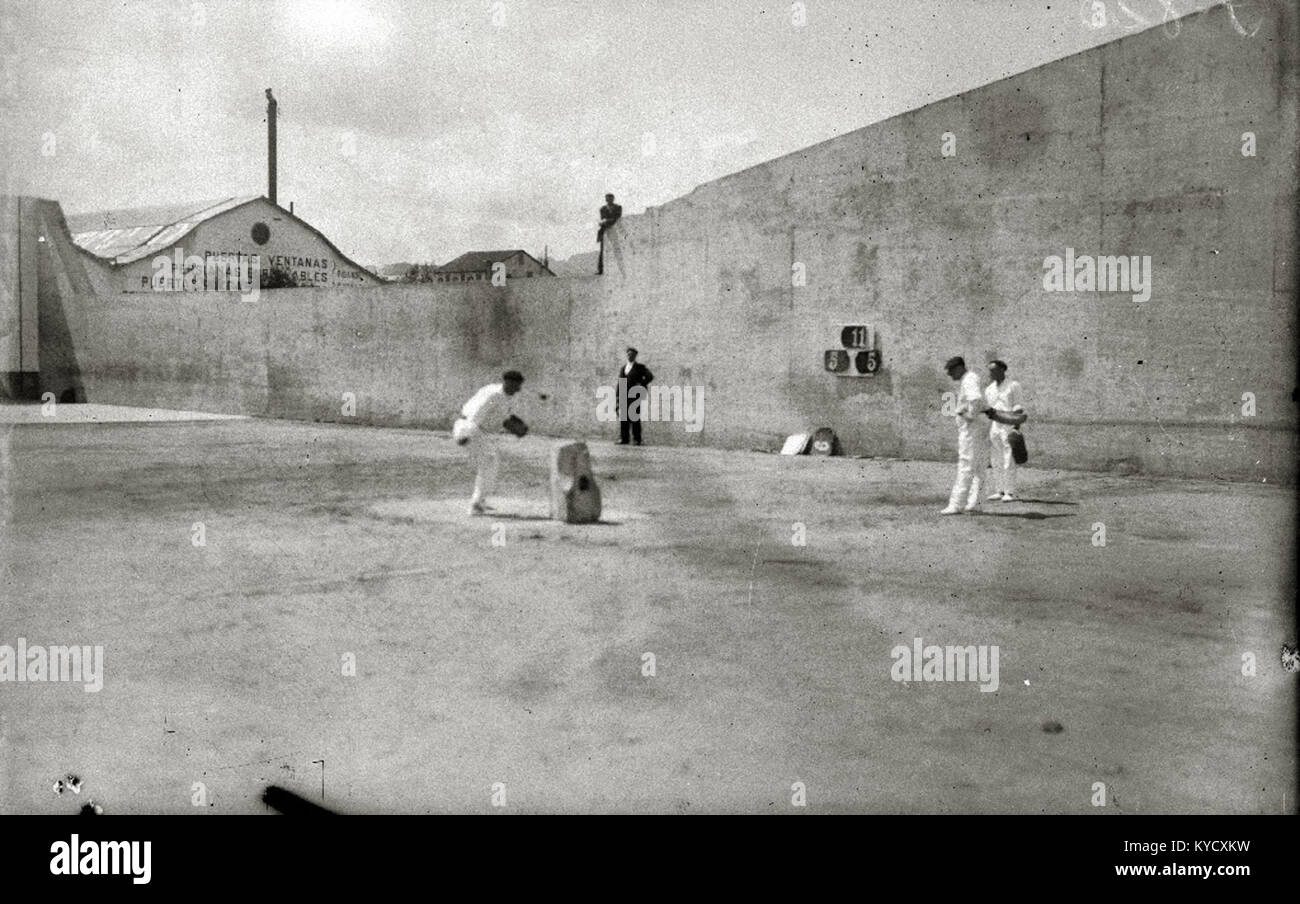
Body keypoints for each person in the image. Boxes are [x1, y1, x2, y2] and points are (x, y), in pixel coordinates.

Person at [452, 370, 525, 515]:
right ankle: (476, 504)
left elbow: (503, 417)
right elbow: (477, 411)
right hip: (470, 427)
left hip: (473, 428)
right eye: (516, 386)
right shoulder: (495, 395)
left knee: (489, 462)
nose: (518, 390)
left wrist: (516, 424)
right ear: (508, 382)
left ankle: (480, 501)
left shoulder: (496, 392)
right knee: (489, 461)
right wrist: (465, 433)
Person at [940, 356, 991, 515]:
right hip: (979, 426)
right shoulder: (972, 377)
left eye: (951, 371)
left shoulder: (968, 379)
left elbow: (975, 399)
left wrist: (970, 416)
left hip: (972, 428)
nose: (950, 376)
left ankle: (956, 504)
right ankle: (976, 502)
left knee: (966, 465)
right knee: (979, 467)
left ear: (959, 368)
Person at [983, 360, 1027, 502]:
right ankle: (999, 490)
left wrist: (1016, 426)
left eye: (993, 370)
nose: (991, 373)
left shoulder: (1013, 385)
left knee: (1009, 459)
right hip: (995, 426)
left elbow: (1018, 406)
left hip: (1009, 424)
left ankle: (1009, 492)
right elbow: (989, 409)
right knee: (996, 459)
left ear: (1002, 370)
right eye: (990, 371)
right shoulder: (989, 389)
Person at [616, 347, 654, 445]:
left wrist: (641, 384)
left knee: (634, 417)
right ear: (626, 355)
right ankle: (624, 439)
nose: (630, 356)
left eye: (632, 355)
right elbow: (620, 383)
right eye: (628, 354)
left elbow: (650, 376)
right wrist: (617, 397)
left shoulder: (640, 367)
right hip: (624, 395)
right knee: (624, 418)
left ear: (635, 356)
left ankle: (637, 439)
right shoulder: (623, 368)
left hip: (634, 394)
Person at [596, 193, 622, 275]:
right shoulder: (603, 209)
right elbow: (603, 218)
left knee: (617, 249)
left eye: (610, 198)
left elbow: (617, 217)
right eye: (607, 198)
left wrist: (607, 221)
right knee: (603, 249)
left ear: (613, 199)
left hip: (614, 230)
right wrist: (607, 221)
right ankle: (601, 269)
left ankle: (620, 268)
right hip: (606, 230)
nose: (608, 200)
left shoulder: (618, 207)